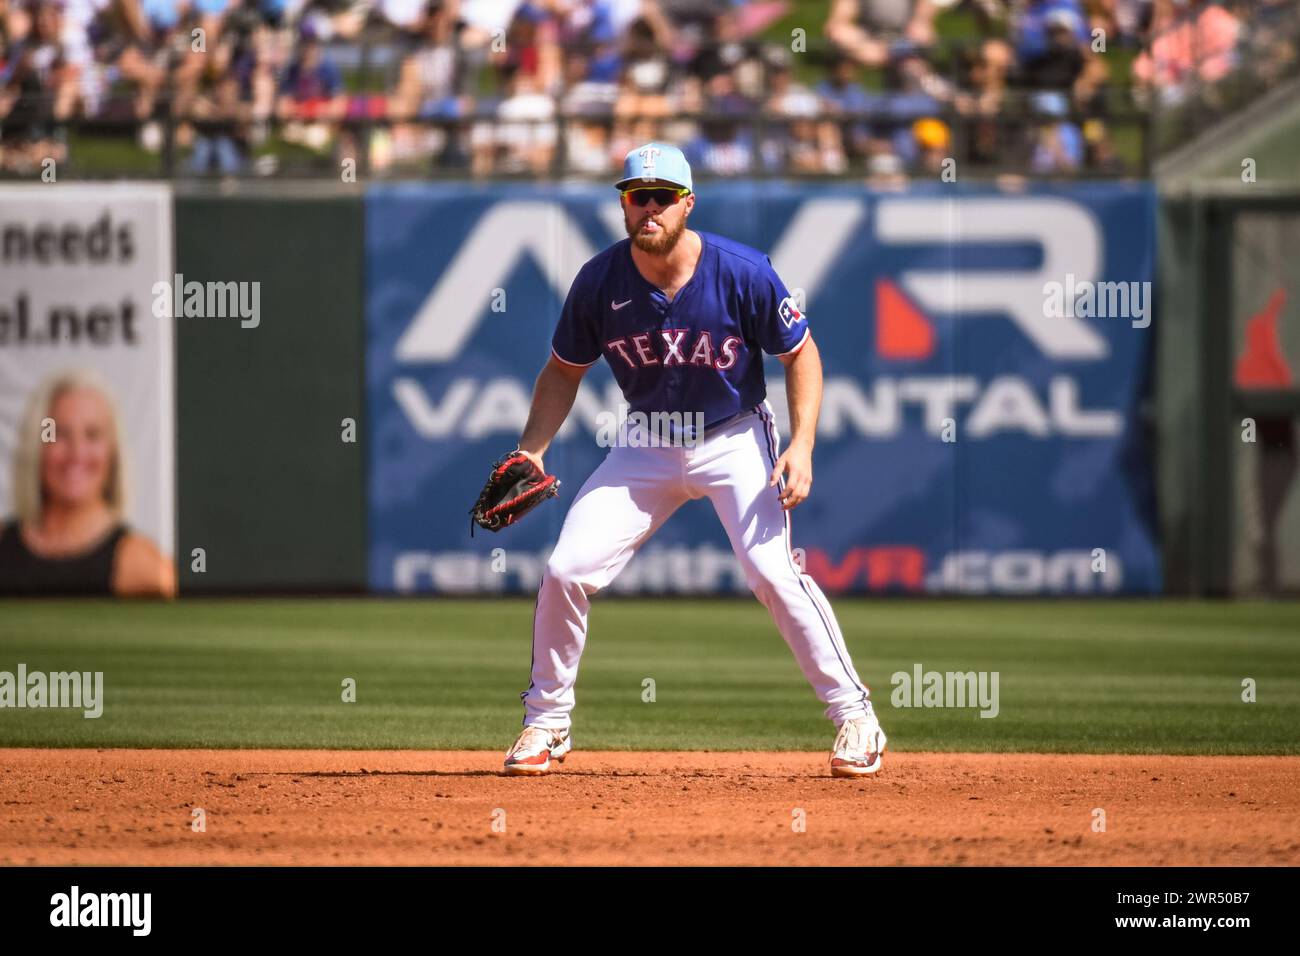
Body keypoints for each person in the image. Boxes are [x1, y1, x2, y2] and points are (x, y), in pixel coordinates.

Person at [502, 142, 887, 778]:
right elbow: (563, 371)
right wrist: (531, 449)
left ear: (688, 203)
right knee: (567, 569)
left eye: (661, 196)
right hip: (646, 443)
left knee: (771, 573)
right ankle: (546, 722)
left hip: (734, 437)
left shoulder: (742, 270)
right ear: (623, 205)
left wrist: (802, 443)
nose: (648, 208)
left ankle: (856, 717)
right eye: (636, 196)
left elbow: (802, 355)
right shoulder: (599, 281)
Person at [0, 370, 175, 597]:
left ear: (112, 453)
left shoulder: (142, 566)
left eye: (92, 435)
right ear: (37, 446)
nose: (77, 453)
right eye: (59, 434)